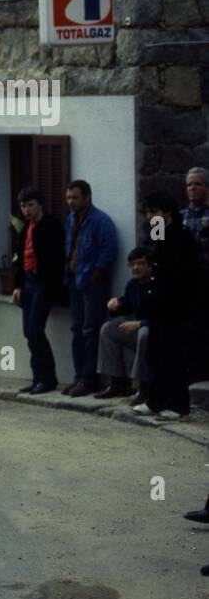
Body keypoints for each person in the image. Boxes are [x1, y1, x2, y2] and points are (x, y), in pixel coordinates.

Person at [139, 192, 198, 419]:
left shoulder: (181, 237)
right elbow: (155, 262)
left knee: (173, 357)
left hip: (176, 307)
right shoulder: (159, 234)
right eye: (147, 213)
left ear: (168, 213)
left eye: (154, 212)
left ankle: (178, 406)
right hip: (159, 306)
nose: (150, 217)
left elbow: (183, 275)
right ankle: (155, 401)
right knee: (154, 354)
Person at [61, 180, 119, 396]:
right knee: (77, 330)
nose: (71, 202)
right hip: (75, 282)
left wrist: (95, 276)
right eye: (68, 198)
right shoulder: (71, 219)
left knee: (90, 330)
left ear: (87, 197)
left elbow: (109, 251)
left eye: (75, 198)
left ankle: (89, 380)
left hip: (92, 285)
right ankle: (79, 378)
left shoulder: (100, 221)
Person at [11, 187, 66, 394]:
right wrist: (17, 286)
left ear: (40, 205)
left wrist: (43, 275)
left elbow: (56, 258)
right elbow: (19, 257)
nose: (26, 210)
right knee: (28, 332)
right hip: (28, 284)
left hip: (44, 283)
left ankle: (48, 379)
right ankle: (38, 378)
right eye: (23, 206)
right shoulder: (26, 227)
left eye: (30, 205)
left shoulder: (51, 226)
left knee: (35, 330)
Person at [95, 247, 157, 403]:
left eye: (141, 263)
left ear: (150, 265)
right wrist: (115, 305)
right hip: (141, 328)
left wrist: (141, 323)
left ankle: (145, 388)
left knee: (144, 332)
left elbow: (168, 315)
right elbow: (127, 305)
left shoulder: (159, 284)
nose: (135, 268)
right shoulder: (133, 285)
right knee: (108, 329)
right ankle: (117, 383)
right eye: (132, 264)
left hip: (158, 332)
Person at [181, 167, 209, 382]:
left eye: (197, 184)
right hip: (187, 284)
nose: (192, 188)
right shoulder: (178, 217)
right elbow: (157, 244)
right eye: (189, 184)